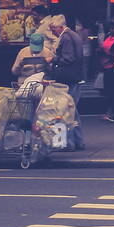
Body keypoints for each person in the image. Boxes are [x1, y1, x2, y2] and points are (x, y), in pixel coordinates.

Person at [47, 15, 86, 150]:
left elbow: (68, 58)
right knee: (73, 110)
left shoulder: (66, 37)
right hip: (75, 76)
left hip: (68, 78)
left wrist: (53, 60)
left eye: (53, 28)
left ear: (60, 27)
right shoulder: (74, 35)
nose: (52, 32)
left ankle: (69, 142)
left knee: (66, 111)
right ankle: (78, 141)